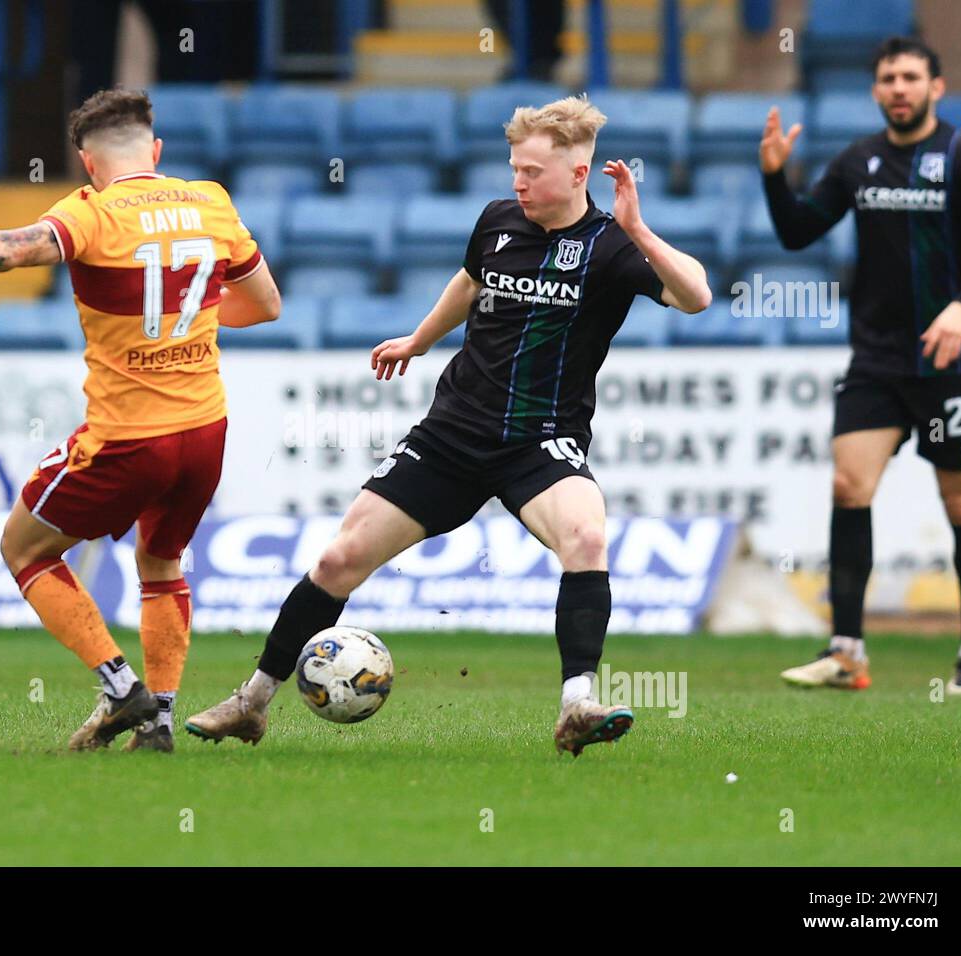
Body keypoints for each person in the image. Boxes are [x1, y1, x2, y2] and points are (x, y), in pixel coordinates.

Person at [185, 95, 712, 756]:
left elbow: (696, 297)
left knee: (586, 536)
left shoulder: (611, 247)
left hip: (539, 442)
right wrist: (419, 339)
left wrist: (639, 229)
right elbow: (469, 282)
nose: (518, 183)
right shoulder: (496, 220)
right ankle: (251, 702)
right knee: (339, 557)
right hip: (452, 435)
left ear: (579, 175)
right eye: (514, 168)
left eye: (532, 173)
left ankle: (577, 703)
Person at [0, 88, 282, 748]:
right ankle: (161, 718)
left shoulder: (93, 214)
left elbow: (10, 247)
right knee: (163, 560)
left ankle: (122, 691)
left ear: (89, 164)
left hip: (127, 439)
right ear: (157, 151)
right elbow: (266, 306)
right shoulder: (212, 201)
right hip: (205, 432)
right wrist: (186, 320)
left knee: (22, 548)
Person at [763, 38, 961, 694]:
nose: (899, 87)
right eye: (888, 77)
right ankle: (847, 651)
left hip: (950, 362)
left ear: (935, 87)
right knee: (848, 488)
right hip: (877, 362)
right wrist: (776, 176)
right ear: (876, 90)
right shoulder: (859, 161)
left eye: (911, 76)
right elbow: (797, 231)